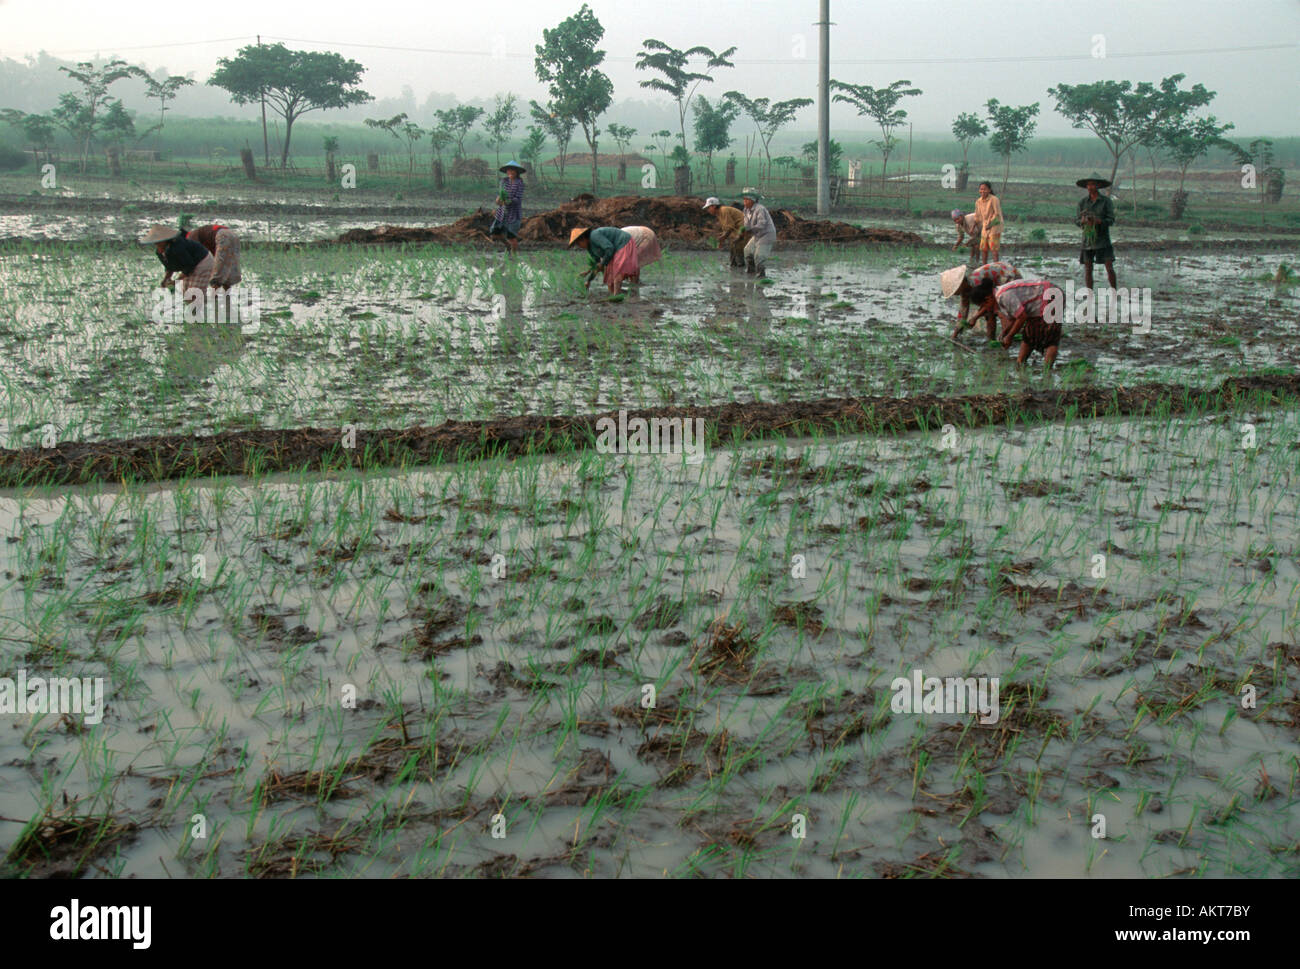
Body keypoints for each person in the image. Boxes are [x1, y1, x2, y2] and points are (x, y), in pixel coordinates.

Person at [941, 261, 1023, 341]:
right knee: (989, 313)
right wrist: (955, 334)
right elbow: (963, 313)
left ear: (962, 283)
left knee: (1004, 309)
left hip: (1007, 274)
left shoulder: (977, 282)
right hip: (998, 278)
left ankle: (1008, 336)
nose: (955, 293)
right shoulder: (965, 292)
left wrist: (975, 317)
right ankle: (992, 339)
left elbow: (990, 302)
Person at [992, 278, 1062, 369]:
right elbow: (1014, 318)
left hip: (1050, 294)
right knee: (1030, 332)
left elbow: (1022, 317)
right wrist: (1005, 332)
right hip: (1040, 297)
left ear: (988, 299)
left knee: (1050, 334)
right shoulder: (999, 294)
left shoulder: (1003, 296)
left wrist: (1010, 336)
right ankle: (1020, 363)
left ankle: (1047, 371)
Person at [141, 223, 213, 299]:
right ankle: (196, 308)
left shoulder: (178, 247)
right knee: (186, 295)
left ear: (166, 240)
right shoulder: (160, 252)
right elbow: (169, 266)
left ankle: (204, 308)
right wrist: (165, 279)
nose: (157, 244)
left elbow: (189, 266)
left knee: (195, 295)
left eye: (159, 242)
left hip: (203, 262)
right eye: (155, 242)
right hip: (191, 265)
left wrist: (176, 281)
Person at [1076, 173, 1117, 292]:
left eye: (1093, 184)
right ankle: (1089, 294)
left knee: (1109, 266)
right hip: (1088, 240)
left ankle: (1114, 292)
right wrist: (1083, 221)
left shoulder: (1106, 202)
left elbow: (1111, 220)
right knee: (1088, 268)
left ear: (1098, 186)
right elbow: (1077, 221)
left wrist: (1099, 221)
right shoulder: (1083, 202)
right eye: (1088, 185)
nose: (1090, 187)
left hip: (1103, 239)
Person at [569, 226, 638, 295]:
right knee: (610, 284)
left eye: (578, 243)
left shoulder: (594, 236)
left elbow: (609, 248)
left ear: (583, 239)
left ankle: (617, 295)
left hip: (622, 243)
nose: (579, 246)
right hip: (613, 251)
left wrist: (602, 263)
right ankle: (628, 294)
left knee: (617, 274)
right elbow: (597, 265)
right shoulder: (590, 248)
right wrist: (588, 280)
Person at [181, 216, 242, 289]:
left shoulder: (190, 237)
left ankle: (214, 297)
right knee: (228, 267)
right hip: (233, 235)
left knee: (217, 274)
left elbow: (195, 259)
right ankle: (226, 297)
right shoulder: (199, 234)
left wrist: (182, 275)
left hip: (222, 235)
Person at [488, 161, 526, 255]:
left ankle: (513, 256)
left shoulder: (519, 183)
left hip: (514, 212)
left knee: (511, 236)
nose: (510, 172)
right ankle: (508, 246)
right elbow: (500, 194)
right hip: (502, 211)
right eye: (509, 170)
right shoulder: (504, 181)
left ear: (517, 172)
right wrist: (498, 200)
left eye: (513, 170)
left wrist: (508, 201)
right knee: (494, 233)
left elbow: (518, 199)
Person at [739, 187, 776, 277]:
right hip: (757, 235)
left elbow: (761, 224)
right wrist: (743, 230)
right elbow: (747, 224)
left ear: (753, 200)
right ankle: (751, 271)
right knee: (747, 251)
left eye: (747, 199)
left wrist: (750, 230)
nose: (744, 201)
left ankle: (761, 274)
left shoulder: (760, 209)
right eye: (744, 199)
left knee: (759, 255)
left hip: (767, 234)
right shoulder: (746, 210)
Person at [704, 196, 747, 268]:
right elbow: (726, 229)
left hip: (744, 230)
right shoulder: (719, 213)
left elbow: (730, 227)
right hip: (739, 231)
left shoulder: (723, 211)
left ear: (714, 206)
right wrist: (722, 238)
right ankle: (734, 266)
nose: (708, 210)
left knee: (737, 247)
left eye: (708, 208)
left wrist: (722, 238)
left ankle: (740, 267)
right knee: (733, 248)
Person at [974, 181, 1004, 264]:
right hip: (985, 227)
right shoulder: (978, 201)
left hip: (995, 226)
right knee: (983, 249)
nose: (982, 191)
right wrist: (974, 225)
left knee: (994, 249)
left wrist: (990, 224)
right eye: (981, 189)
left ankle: (996, 267)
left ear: (989, 190)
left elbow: (997, 214)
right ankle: (984, 266)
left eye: (985, 189)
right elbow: (977, 215)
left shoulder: (994, 199)